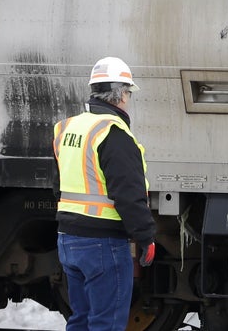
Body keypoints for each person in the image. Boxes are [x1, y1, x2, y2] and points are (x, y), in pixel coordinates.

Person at [54, 56, 156, 331]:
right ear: (121, 94)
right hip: (103, 245)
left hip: (68, 241)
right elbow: (128, 195)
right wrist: (146, 237)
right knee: (106, 324)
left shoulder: (67, 128)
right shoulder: (114, 133)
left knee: (80, 320)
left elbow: (58, 184)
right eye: (128, 93)